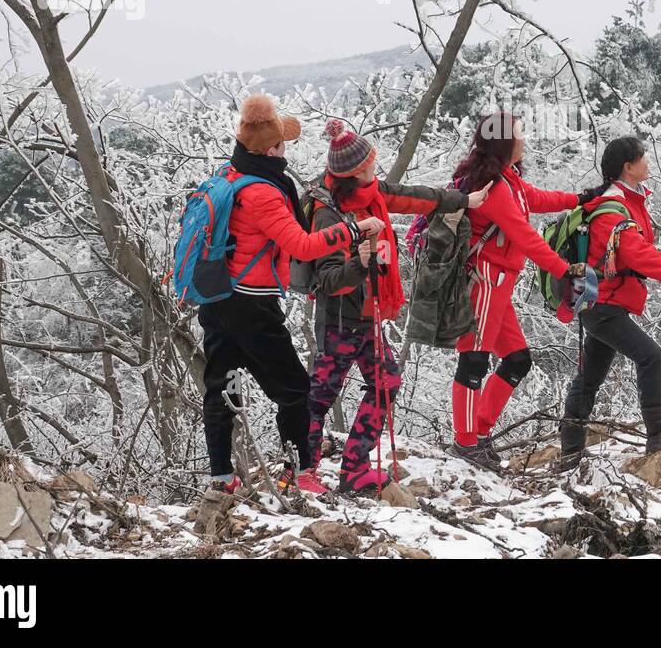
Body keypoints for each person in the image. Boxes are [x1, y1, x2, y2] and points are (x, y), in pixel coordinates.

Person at [200, 94, 384, 495]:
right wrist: (353, 230)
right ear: (271, 149)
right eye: (283, 141)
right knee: (295, 392)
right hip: (250, 305)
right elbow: (301, 245)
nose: (287, 146)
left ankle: (221, 479)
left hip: (216, 300)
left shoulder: (230, 175)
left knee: (222, 387)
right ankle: (299, 476)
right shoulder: (264, 192)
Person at [304, 119, 491, 494]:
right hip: (341, 321)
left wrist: (462, 200)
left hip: (369, 317)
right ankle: (302, 470)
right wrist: (359, 259)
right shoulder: (328, 213)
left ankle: (354, 467)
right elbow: (326, 278)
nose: (377, 168)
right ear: (355, 174)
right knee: (320, 396)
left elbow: (413, 196)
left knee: (386, 382)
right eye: (371, 164)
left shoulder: (371, 193)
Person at [450, 111, 586, 471]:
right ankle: (465, 442)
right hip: (484, 283)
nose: (525, 139)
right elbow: (524, 237)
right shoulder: (493, 189)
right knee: (473, 360)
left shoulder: (508, 181)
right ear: (504, 143)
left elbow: (538, 199)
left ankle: (479, 431)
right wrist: (564, 270)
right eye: (520, 134)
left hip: (500, 284)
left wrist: (580, 199)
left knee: (517, 359)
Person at [558, 136, 661, 471]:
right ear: (628, 166)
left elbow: (633, 252)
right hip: (602, 303)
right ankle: (658, 435)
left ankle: (570, 451)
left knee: (590, 376)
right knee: (651, 357)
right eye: (643, 157)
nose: (648, 162)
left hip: (606, 303)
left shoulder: (629, 202)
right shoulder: (613, 207)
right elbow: (635, 251)